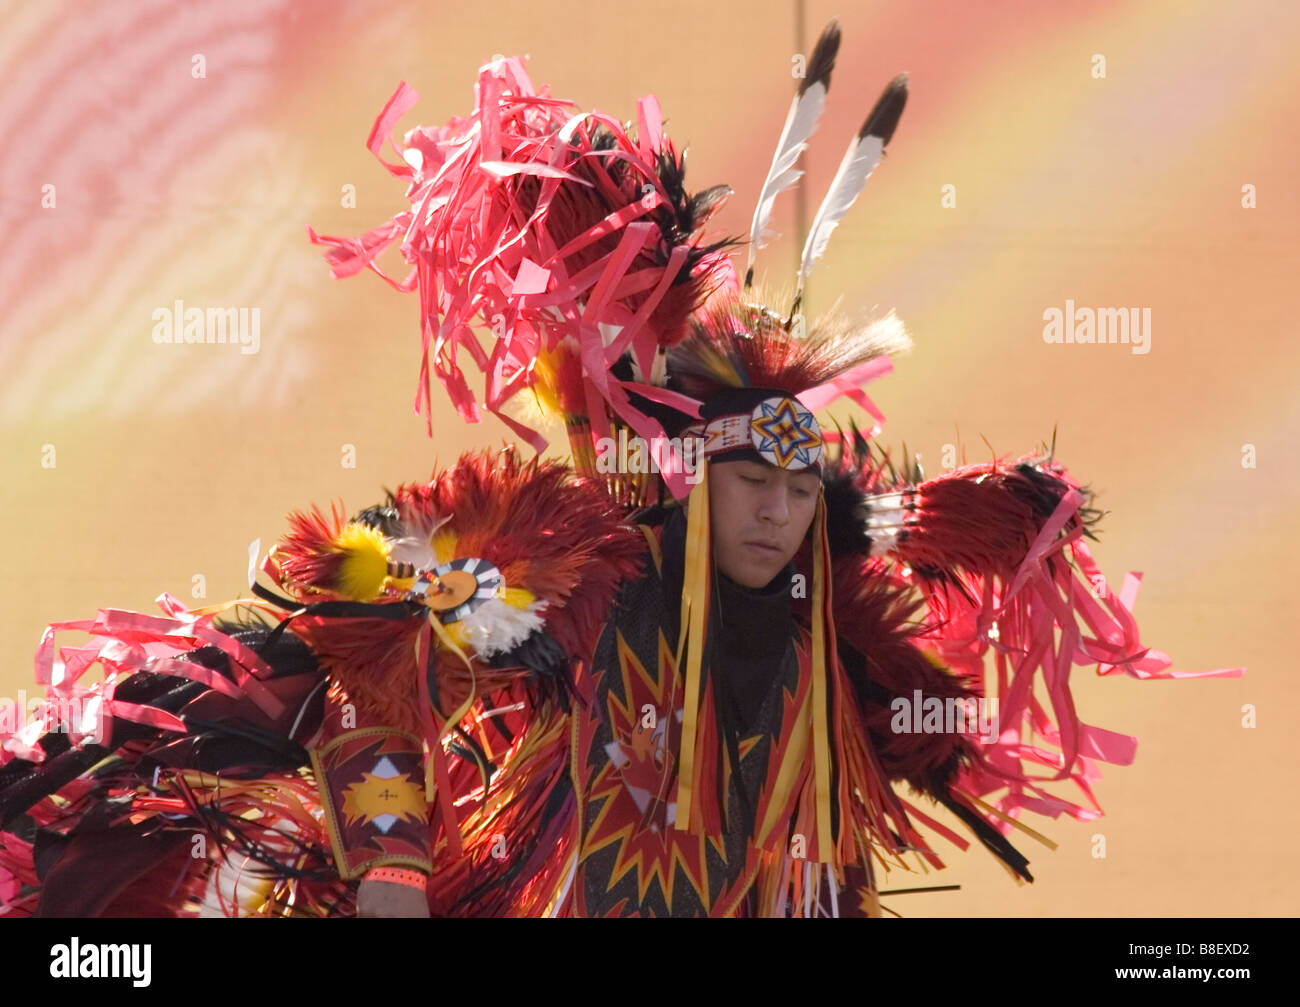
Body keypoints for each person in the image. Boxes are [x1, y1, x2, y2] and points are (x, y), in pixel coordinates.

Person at [0, 25, 1240, 918]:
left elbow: (910, 724)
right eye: (747, 484)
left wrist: (981, 530)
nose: (773, 511)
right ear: (689, 484)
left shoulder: (833, 641)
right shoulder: (592, 578)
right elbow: (367, 615)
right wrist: (388, 863)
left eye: (798, 492)